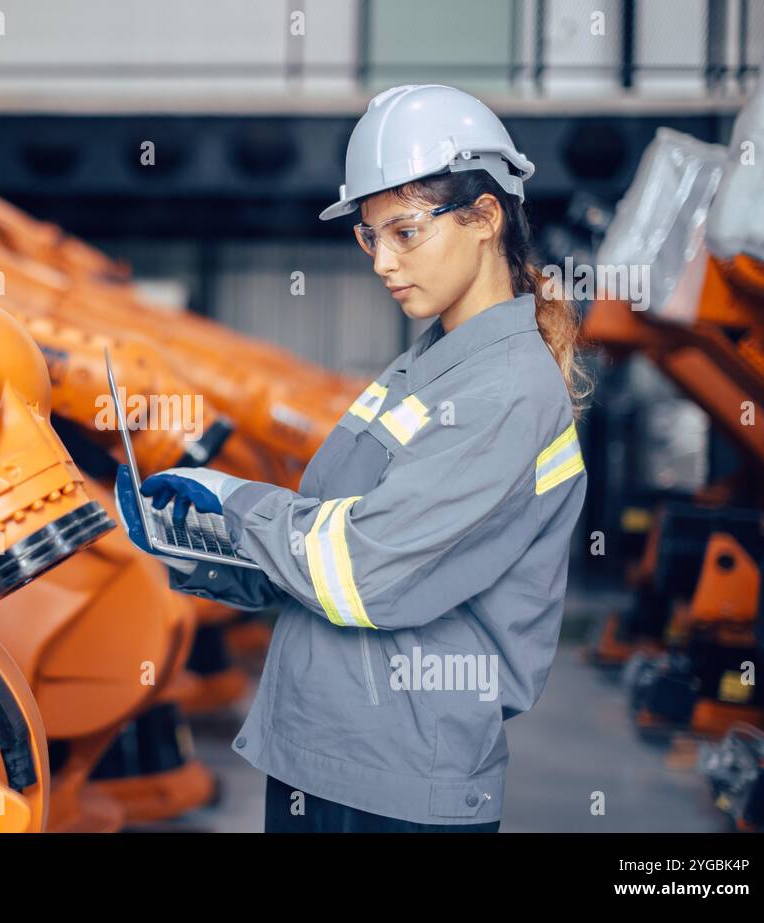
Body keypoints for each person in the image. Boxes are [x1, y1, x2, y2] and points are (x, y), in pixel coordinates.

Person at [125, 84, 591, 832]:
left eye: (404, 232)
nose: (382, 260)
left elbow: (363, 571)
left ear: (484, 218)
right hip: (328, 755)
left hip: (397, 780)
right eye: (370, 236)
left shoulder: (502, 387)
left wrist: (236, 503)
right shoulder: (427, 363)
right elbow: (334, 529)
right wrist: (195, 548)